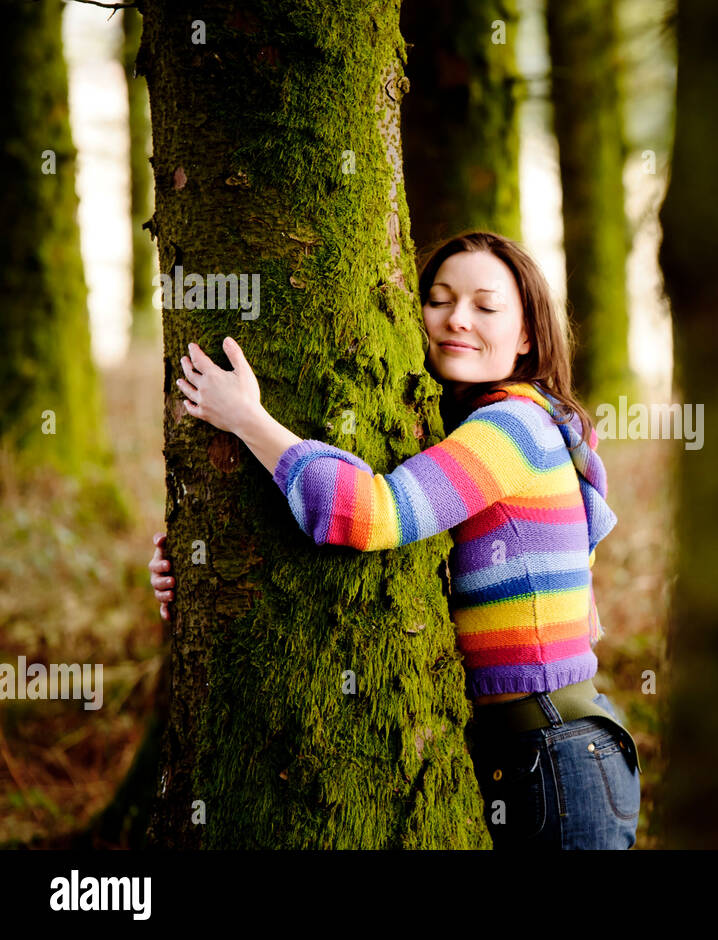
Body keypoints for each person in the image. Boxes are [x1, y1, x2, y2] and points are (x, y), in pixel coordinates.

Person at [147, 231, 640, 849]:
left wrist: (248, 419)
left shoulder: (512, 427)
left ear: (526, 337)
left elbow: (372, 514)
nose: (458, 319)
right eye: (438, 299)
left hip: (556, 757)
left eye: (486, 307)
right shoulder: (473, 429)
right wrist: (197, 571)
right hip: (529, 751)